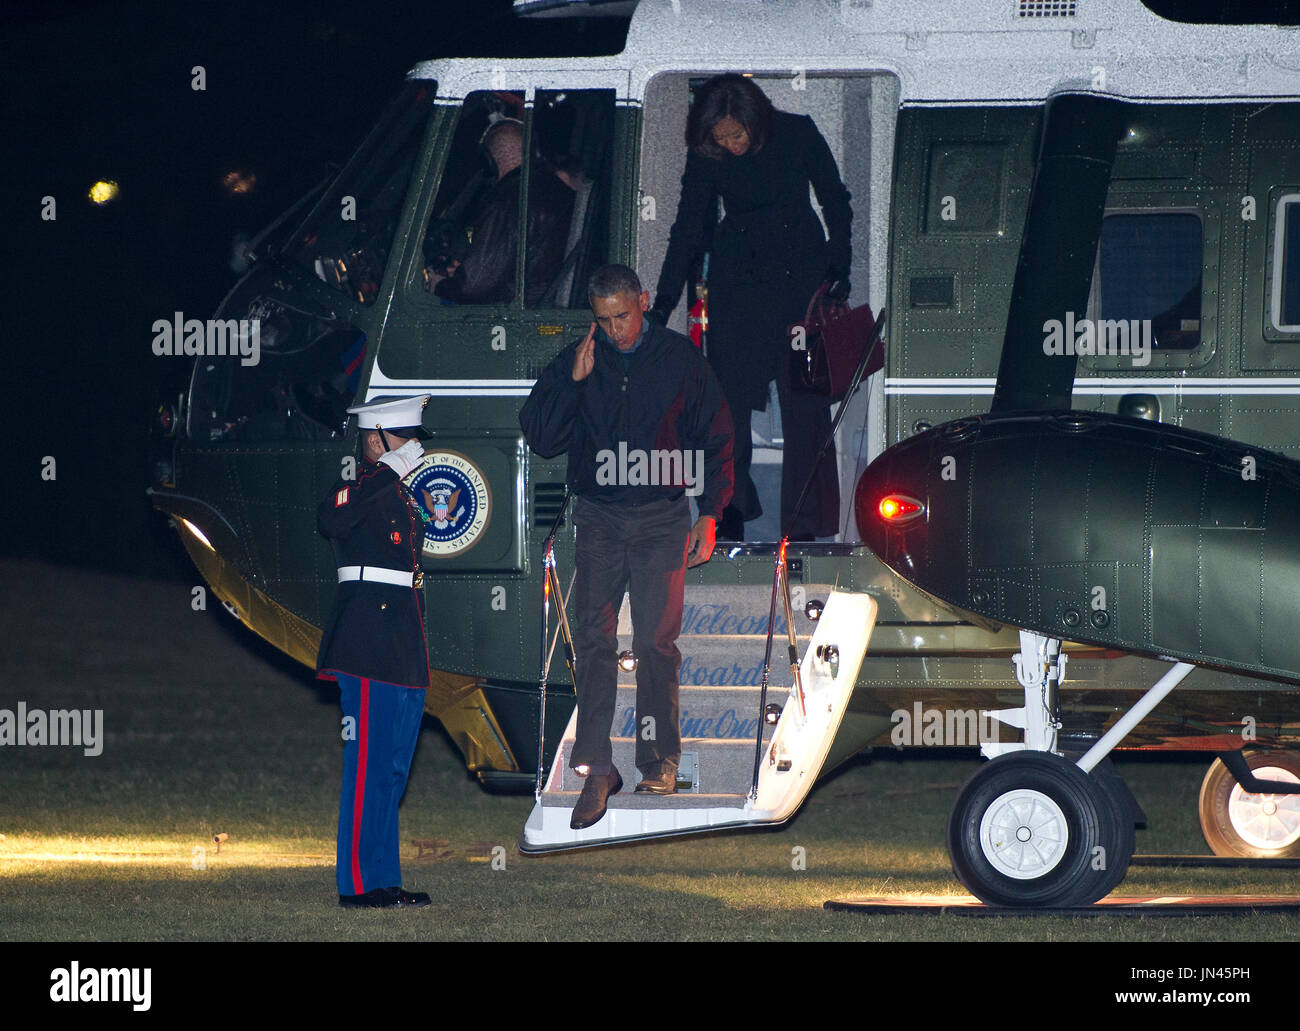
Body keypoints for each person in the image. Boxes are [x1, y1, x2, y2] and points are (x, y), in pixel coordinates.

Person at [519, 264, 734, 829]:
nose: (615, 329)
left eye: (623, 315)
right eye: (604, 319)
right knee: (592, 639)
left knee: (656, 641)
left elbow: (717, 436)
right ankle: (597, 768)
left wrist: (709, 514)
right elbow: (540, 438)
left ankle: (659, 761)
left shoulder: (681, 360)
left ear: (643, 301)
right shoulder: (581, 357)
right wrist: (573, 377)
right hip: (598, 517)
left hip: (663, 517)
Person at [651, 74, 853, 540]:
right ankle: (730, 509)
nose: (730, 145)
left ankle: (805, 522)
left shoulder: (797, 131)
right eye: (720, 139)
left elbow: (835, 202)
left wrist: (838, 269)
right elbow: (685, 227)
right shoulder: (708, 153)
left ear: (755, 120)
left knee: (805, 404)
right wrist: (663, 304)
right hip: (738, 281)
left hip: (800, 279)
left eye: (735, 135)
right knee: (728, 402)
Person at [316, 394, 433, 908]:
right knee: (366, 766)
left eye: (412, 440)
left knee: (391, 768)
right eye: (402, 439)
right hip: (367, 642)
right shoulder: (360, 489)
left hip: (401, 643)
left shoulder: (401, 498)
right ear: (374, 440)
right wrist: (385, 472)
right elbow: (331, 520)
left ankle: (383, 878)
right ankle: (358, 885)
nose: (412, 449)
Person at [425, 118, 575, 307]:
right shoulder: (560, 191)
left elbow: (475, 284)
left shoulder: (508, 200)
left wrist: (440, 285)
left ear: (489, 161)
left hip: (519, 314)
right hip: (545, 307)